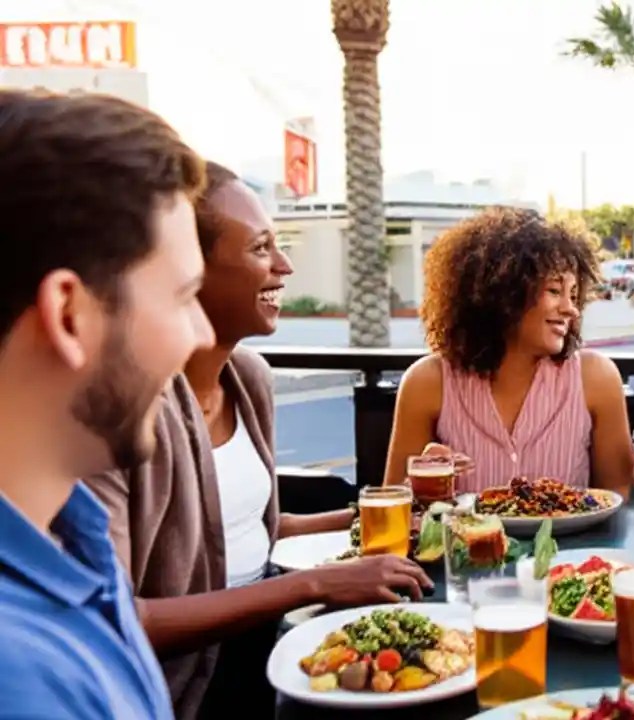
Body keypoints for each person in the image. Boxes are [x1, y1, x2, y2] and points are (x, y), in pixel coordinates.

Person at [84, 163, 432, 719]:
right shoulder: (119, 414)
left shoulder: (248, 377)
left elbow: (250, 531)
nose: (284, 265)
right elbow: (119, 619)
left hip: (272, 637)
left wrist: (381, 518)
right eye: (260, 248)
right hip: (185, 681)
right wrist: (314, 583)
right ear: (185, 270)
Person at [0, 90, 212, 718]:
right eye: (182, 296)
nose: (200, 334)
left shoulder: (71, 529)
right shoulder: (26, 681)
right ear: (69, 314)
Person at [384, 206, 634, 494]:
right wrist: (422, 487)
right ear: (503, 293)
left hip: (575, 542)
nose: (571, 310)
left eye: (574, 295)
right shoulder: (428, 382)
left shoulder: (595, 378)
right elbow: (393, 507)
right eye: (555, 291)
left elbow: (618, 500)